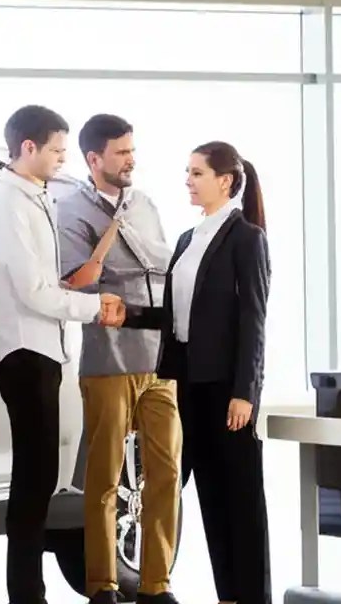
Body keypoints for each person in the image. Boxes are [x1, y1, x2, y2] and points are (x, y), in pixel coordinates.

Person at [0, 104, 124, 604]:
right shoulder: (9, 203)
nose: (64, 158)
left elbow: (41, 282)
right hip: (23, 351)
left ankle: (29, 593)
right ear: (29, 148)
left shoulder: (34, 196)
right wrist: (92, 307)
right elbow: (33, 292)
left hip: (41, 347)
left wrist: (69, 290)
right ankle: (26, 595)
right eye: (58, 150)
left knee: (38, 478)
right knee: (33, 479)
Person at [114, 141, 272, 604]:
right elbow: (176, 314)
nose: (188, 180)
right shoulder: (187, 239)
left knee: (241, 499)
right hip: (188, 383)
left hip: (228, 389)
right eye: (187, 172)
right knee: (209, 498)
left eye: (197, 173)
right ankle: (228, 596)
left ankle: (252, 597)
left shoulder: (247, 238)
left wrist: (246, 392)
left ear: (225, 181)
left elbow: (253, 321)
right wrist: (128, 314)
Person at [53, 115, 181, 604]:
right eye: (121, 152)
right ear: (94, 159)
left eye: (132, 150)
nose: (131, 159)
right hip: (107, 358)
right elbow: (78, 282)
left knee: (165, 472)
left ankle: (156, 583)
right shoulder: (70, 210)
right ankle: (102, 584)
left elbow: (164, 268)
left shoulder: (145, 204)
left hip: (160, 358)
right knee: (103, 478)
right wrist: (113, 232)